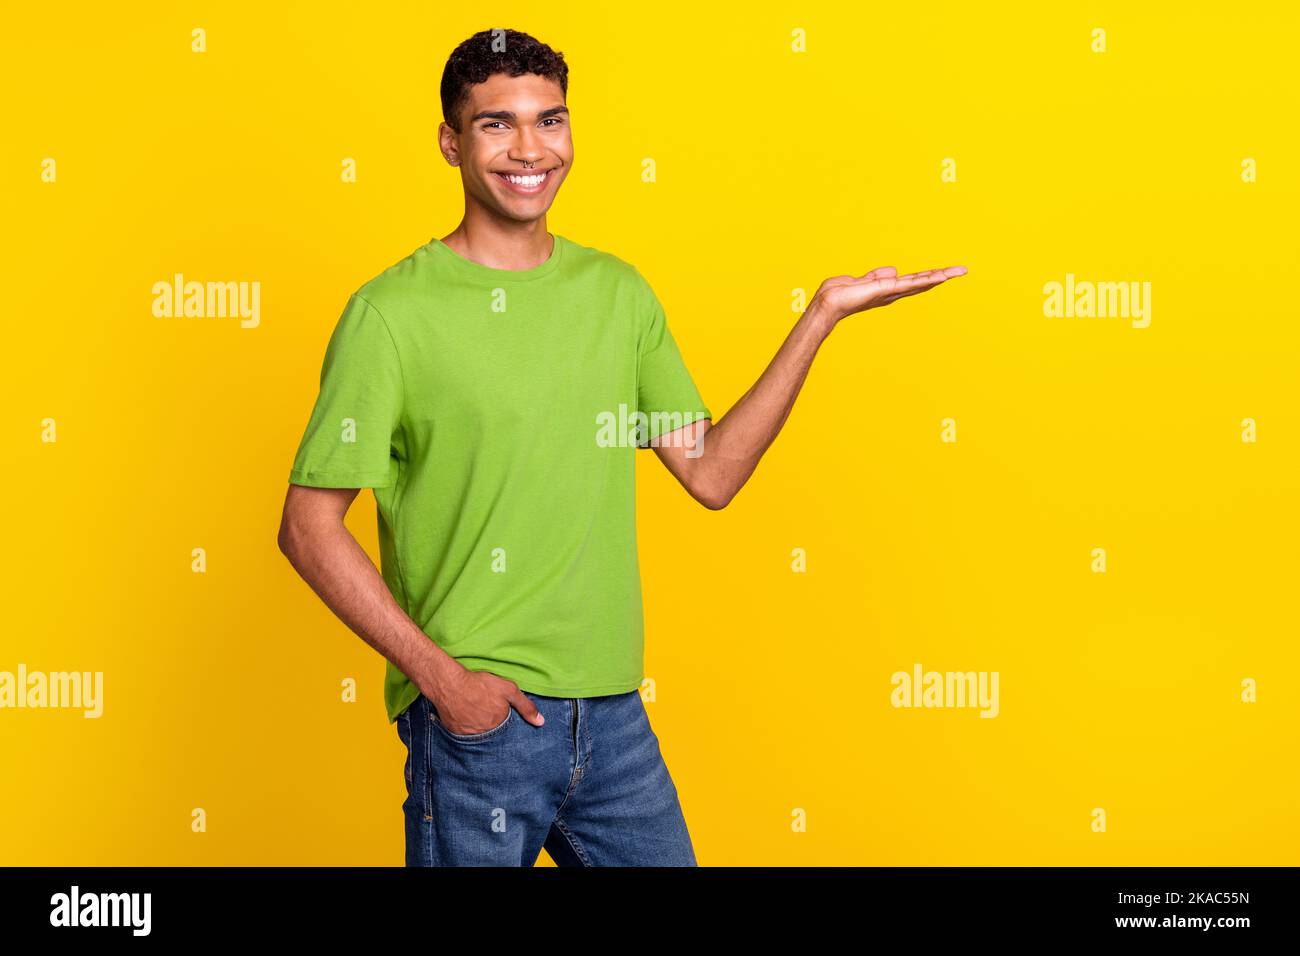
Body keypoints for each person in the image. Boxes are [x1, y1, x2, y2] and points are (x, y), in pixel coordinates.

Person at [276, 27, 967, 867]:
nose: (530, 148)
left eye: (550, 120)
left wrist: (818, 318)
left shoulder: (617, 294)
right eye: (497, 125)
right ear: (451, 142)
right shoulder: (391, 316)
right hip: (479, 726)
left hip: (613, 720)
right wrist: (446, 684)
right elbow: (307, 527)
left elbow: (712, 473)